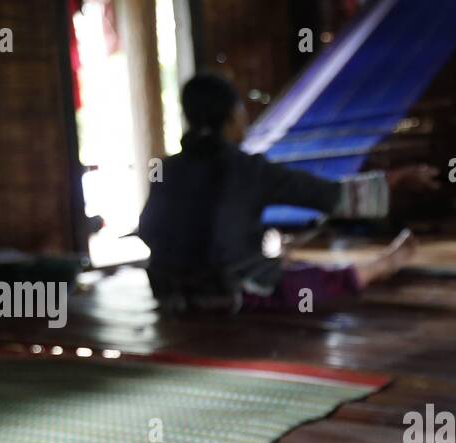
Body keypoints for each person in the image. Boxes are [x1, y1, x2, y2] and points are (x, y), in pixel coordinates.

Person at [137, 73, 437, 312]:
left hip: (170, 295)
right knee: (305, 281)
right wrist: (394, 179)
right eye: (240, 108)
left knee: (280, 266)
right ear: (230, 117)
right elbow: (328, 195)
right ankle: (378, 266)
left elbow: (148, 229)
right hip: (232, 293)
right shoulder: (248, 169)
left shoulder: (166, 169)